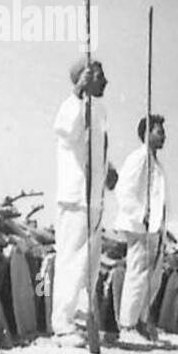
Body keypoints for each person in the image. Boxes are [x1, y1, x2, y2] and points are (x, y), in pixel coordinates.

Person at [51, 58, 117, 339]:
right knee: (70, 260)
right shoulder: (71, 106)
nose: (105, 81)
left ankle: (81, 318)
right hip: (75, 197)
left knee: (88, 264)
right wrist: (79, 93)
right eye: (99, 76)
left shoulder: (99, 111)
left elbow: (93, 149)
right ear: (85, 77)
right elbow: (68, 133)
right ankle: (62, 324)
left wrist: (108, 170)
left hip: (94, 199)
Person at [114, 114, 170, 344]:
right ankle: (127, 324)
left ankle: (140, 321)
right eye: (159, 131)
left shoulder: (156, 164)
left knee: (152, 278)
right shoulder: (138, 158)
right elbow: (123, 190)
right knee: (137, 274)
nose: (163, 135)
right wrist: (140, 213)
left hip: (154, 228)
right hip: (138, 226)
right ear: (146, 134)